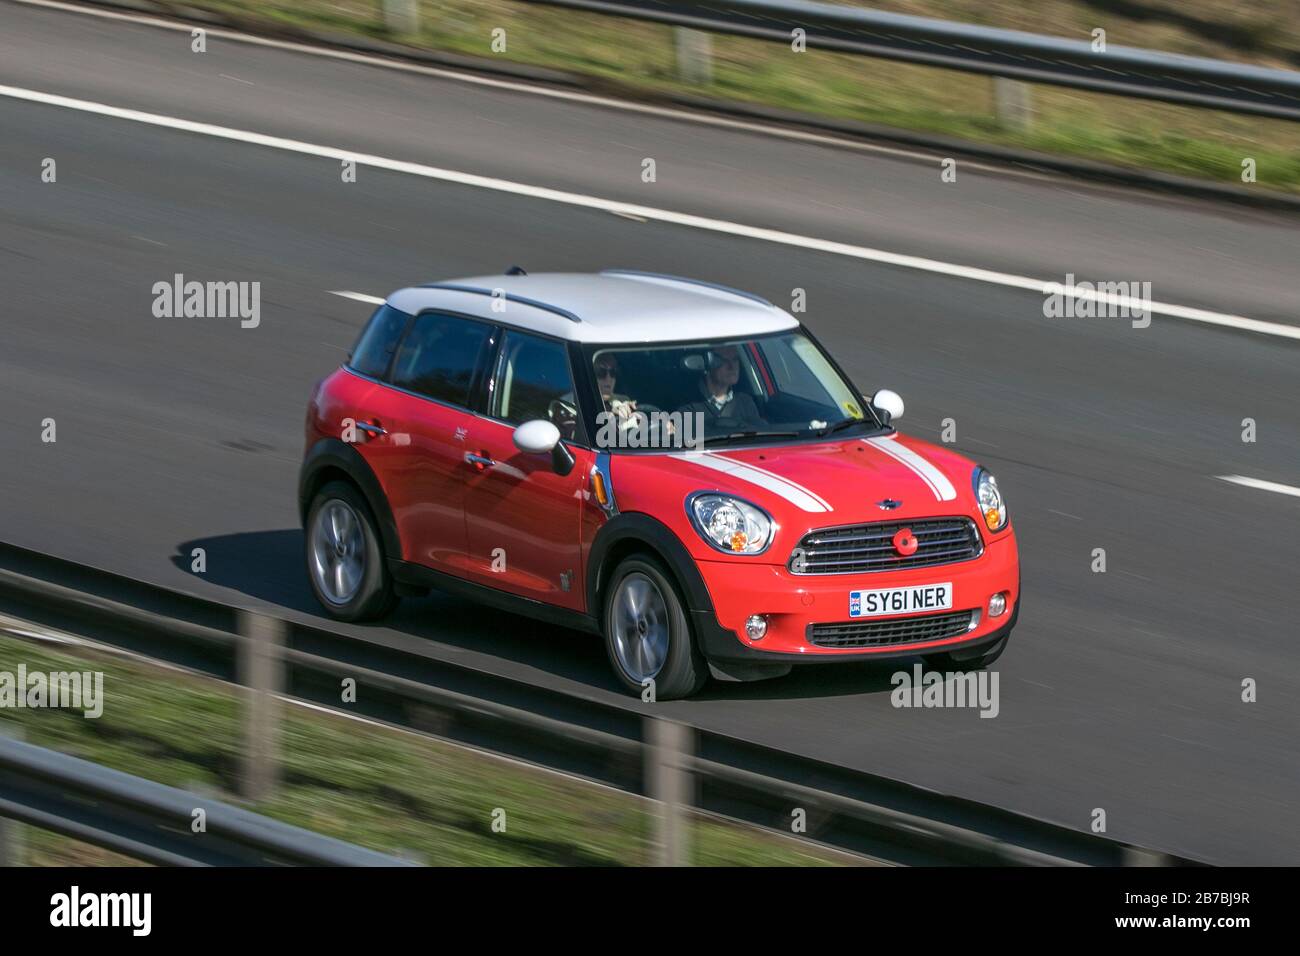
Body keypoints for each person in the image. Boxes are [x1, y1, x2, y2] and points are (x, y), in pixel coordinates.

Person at [676, 344, 764, 435]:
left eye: (735, 359)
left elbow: (758, 437)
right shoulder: (687, 406)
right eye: (723, 360)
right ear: (706, 364)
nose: (731, 366)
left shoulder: (746, 402)